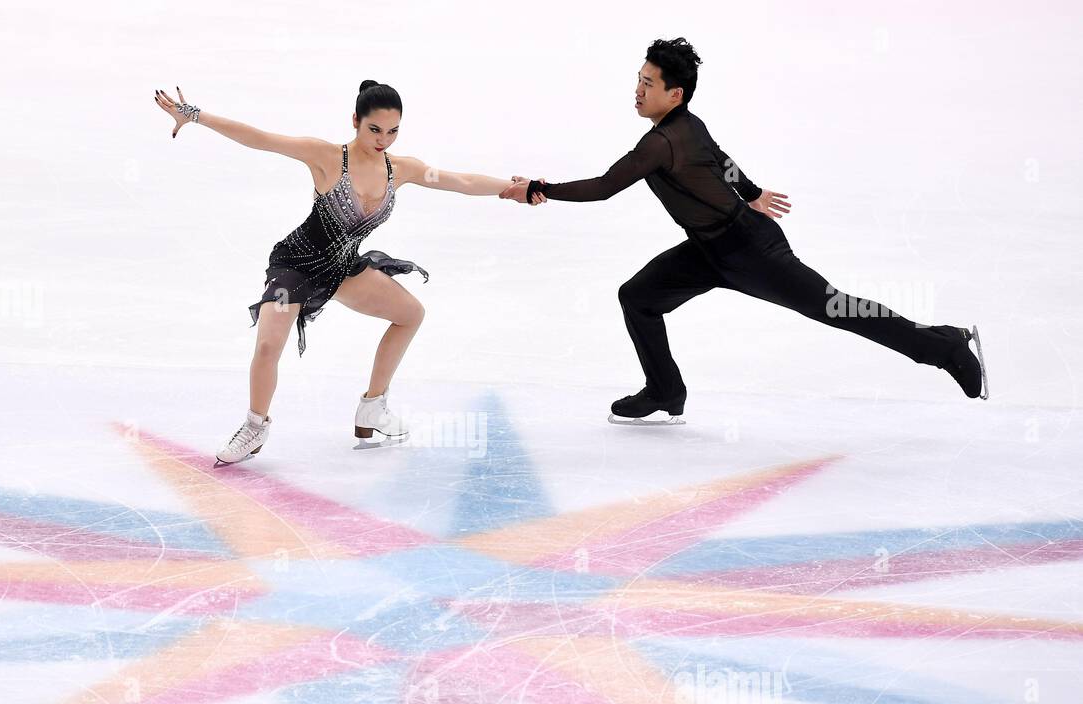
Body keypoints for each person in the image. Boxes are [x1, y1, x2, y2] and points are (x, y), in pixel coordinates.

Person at [500, 38, 987, 424]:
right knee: (639, 297)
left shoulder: (662, 142)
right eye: (638, 79)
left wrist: (540, 188)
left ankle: (945, 347)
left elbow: (606, 187)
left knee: (834, 308)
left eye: (649, 83)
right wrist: (751, 190)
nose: (638, 89)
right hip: (709, 250)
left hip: (752, 251)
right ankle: (666, 391)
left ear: (676, 94)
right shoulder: (687, 125)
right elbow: (723, 159)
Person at [154, 81, 521, 463]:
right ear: (355, 122)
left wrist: (514, 189)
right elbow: (260, 138)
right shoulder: (326, 157)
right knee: (267, 346)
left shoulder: (402, 170)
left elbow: (460, 181)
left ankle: (373, 406)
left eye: (393, 131)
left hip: (342, 267)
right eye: (374, 129)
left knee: (410, 314)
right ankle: (254, 426)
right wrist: (195, 116)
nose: (383, 140)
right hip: (295, 265)